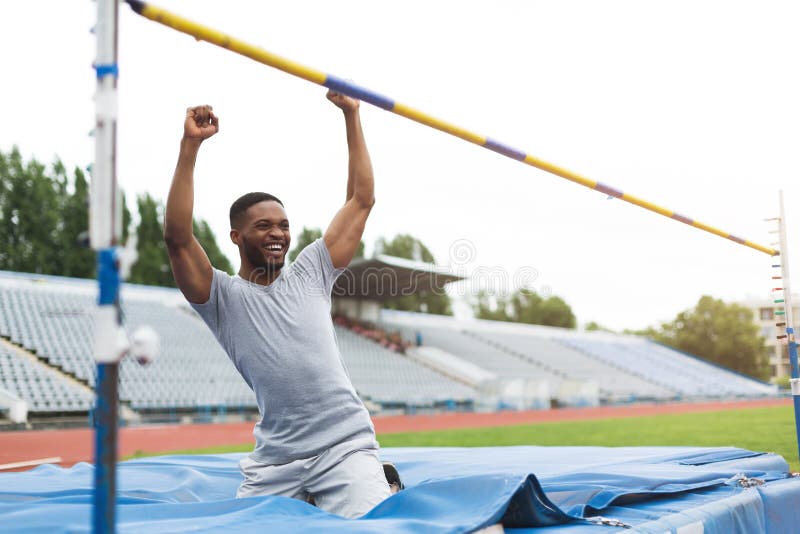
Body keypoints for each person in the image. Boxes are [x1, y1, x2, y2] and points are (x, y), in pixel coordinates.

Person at [163, 91, 391, 518]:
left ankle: (373, 480)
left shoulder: (312, 271)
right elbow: (177, 237)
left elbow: (361, 200)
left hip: (344, 447)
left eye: (284, 225)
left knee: (373, 528)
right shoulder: (221, 298)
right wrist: (190, 146)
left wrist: (352, 114)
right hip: (275, 464)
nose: (278, 234)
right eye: (263, 225)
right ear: (236, 236)